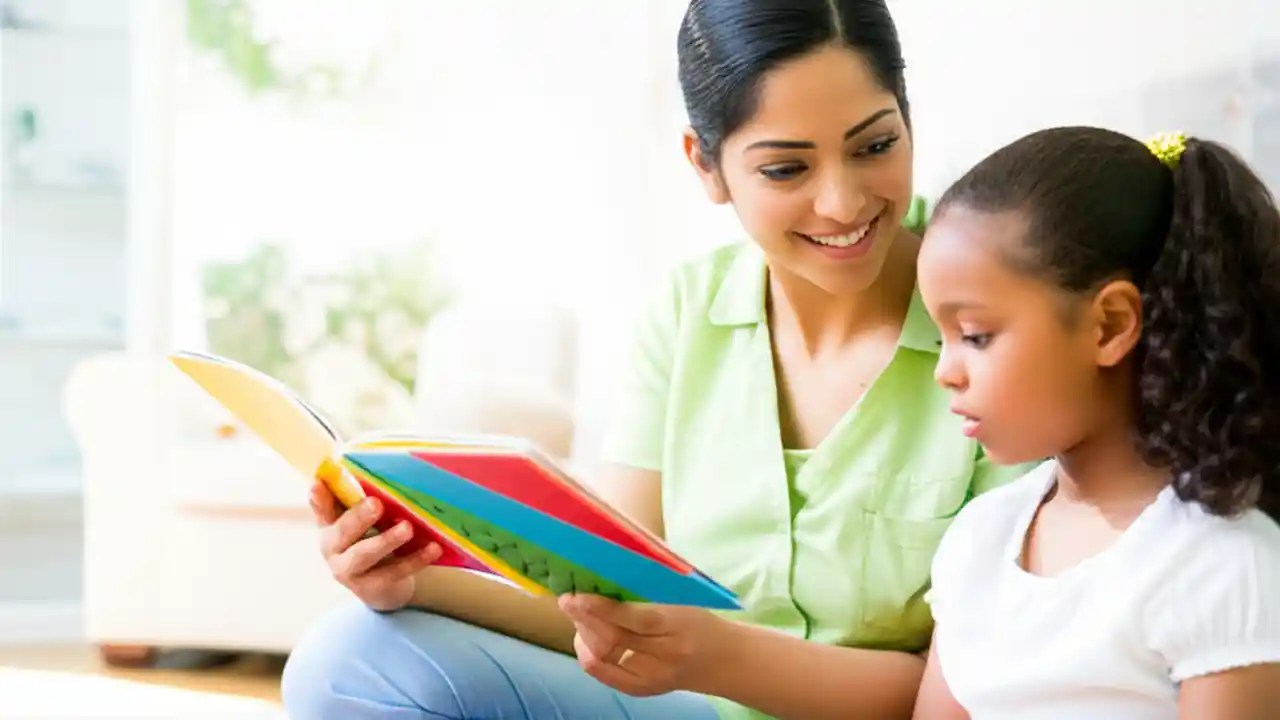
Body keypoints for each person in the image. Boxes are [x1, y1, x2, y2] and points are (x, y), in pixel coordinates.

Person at [281, 2, 1032, 718]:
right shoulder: (686, 314)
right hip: (686, 705)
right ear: (706, 167)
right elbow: (603, 596)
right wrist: (412, 581)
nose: (842, 203)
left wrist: (715, 656)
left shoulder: (997, 316)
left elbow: (974, 689)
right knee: (346, 660)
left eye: (874, 146)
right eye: (785, 170)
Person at [912, 126, 1280, 719]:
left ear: (1109, 325)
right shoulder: (976, 542)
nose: (945, 371)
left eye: (975, 336)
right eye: (941, 337)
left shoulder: (1220, 566)